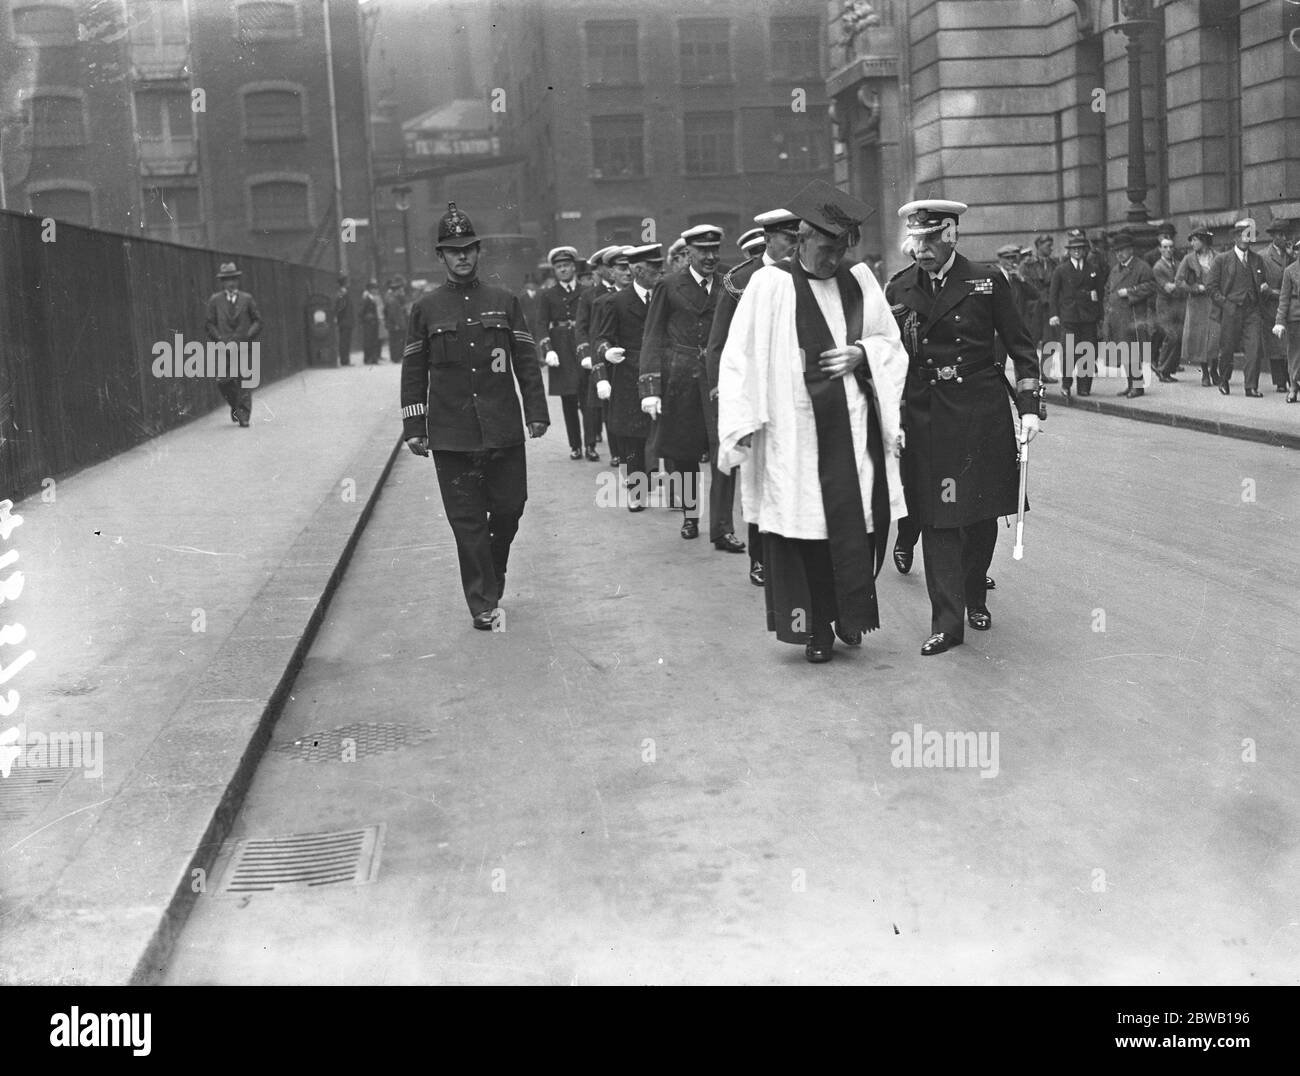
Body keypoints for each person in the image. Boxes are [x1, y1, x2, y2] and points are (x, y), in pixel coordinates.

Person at [718, 180, 908, 664]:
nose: (833, 259)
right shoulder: (770, 285)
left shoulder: (859, 280)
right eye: (826, 249)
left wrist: (862, 353)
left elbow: (890, 343)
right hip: (794, 434)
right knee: (808, 535)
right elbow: (740, 356)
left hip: (854, 428)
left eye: (841, 249)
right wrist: (741, 420)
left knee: (861, 525)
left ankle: (850, 614)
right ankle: (817, 628)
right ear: (801, 239)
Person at [885, 199, 1041, 656]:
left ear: (951, 235)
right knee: (937, 517)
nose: (922, 250)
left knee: (980, 514)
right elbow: (888, 357)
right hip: (926, 413)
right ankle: (947, 624)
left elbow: (1020, 346)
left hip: (979, 410)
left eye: (931, 239)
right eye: (916, 241)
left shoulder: (986, 280)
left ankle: (975, 594)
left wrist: (1029, 408)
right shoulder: (899, 287)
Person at [401, 203, 549, 630]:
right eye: (453, 250)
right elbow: (414, 371)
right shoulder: (426, 308)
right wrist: (414, 425)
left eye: (468, 248)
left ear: (479, 251)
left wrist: (536, 412)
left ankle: (494, 568)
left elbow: (526, 361)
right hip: (452, 433)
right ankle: (483, 601)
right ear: (441, 256)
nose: (462, 256)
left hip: (502, 427)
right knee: (466, 521)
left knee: (510, 508)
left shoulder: (504, 301)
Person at [706, 207, 801, 582]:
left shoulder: (805, 273)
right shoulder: (740, 279)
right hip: (755, 392)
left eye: (798, 239)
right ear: (769, 239)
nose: (794, 246)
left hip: (795, 389)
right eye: (788, 239)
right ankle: (760, 559)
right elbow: (719, 341)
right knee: (758, 475)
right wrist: (723, 389)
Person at [639, 224, 726, 541]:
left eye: (714, 250)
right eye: (703, 251)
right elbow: (653, 336)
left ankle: (723, 525)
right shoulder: (669, 285)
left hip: (720, 378)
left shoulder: (729, 283)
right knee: (685, 453)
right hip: (681, 378)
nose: (710, 257)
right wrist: (650, 388)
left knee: (723, 452)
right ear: (688, 252)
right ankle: (690, 517)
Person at [592, 244, 663, 511]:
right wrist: (606, 351)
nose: (660, 273)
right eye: (654, 269)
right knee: (633, 436)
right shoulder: (617, 302)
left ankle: (680, 493)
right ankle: (637, 492)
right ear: (638, 271)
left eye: (660, 268)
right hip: (630, 373)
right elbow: (602, 337)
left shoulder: (666, 295)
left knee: (675, 433)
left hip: (664, 369)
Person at [538, 246, 595, 459]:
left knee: (588, 400)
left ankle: (590, 445)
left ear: (574, 268)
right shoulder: (548, 295)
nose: (563, 269)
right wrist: (547, 350)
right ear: (554, 270)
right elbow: (541, 324)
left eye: (566, 265)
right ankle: (575, 446)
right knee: (568, 401)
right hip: (560, 349)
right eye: (559, 266)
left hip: (583, 346)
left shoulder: (587, 291)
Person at [1207, 218, 1268, 396]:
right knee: (1227, 348)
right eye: (1242, 235)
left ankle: (1251, 387)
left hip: (1252, 310)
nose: (1245, 239)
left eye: (1249, 236)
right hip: (1231, 310)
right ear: (1235, 238)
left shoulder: (1257, 260)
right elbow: (1211, 287)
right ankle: (1224, 380)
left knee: (1254, 348)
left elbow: (1261, 282)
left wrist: (1263, 287)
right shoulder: (1222, 260)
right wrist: (1226, 304)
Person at [1048, 228, 1104, 400]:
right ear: (1069, 251)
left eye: (1080, 248)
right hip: (1069, 317)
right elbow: (1053, 294)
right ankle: (1066, 384)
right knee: (1069, 352)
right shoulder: (1061, 270)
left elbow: (1100, 293)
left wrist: (1099, 315)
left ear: (1085, 250)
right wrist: (1054, 314)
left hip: (1088, 317)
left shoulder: (1093, 269)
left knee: (1088, 352)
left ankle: (1084, 387)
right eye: (1074, 249)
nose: (1077, 251)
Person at [205, 261, 261, 428]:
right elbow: (209, 323)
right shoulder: (215, 300)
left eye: (233, 279)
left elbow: (258, 321)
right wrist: (219, 339)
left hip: (243, 345)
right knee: (224, 381)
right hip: (224, 347)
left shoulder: (247, 298)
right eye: (227, 279)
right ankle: (236, 407)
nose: (231, 283)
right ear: (222, 282)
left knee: (244, 380)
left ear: (238, 280)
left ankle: (244, 416)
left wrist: (248, 336)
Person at [576, 245, 620, 455]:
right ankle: (590, 444)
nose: (611, 271)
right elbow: (582, 327)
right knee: (594, 404)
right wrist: (585, 354)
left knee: (616, 406)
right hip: (596, 355)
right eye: (607, 266)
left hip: (619, 354)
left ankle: (617, 452)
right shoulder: (590, 295)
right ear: (599, 269)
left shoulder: (624, 291)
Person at [1104, 229, 1156, 398]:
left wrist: (1130, 292)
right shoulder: (1115, 270)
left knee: (1133, 351)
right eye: (1117, 251)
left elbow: (1151, 286)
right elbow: (1108, 289)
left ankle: (1138, 386)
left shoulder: (1141, 267)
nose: (1119, 254)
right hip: (1116, 316)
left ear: (1131, 250)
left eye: (1122, 250)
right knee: (1123, 351)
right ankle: (1130, 383)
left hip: (1133, 315)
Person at [1176, 228, 1221, 385]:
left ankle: (1214, 370)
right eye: (1192, 240)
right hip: (1197, 305)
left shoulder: (1218, 257)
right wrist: (1195, 288)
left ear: (1204, 240)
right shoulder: (1189, 259)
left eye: (1195, 240)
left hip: (1215, 303)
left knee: (1215, 337)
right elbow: (1178, 281)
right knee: (1200, 339)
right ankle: (1205, 373)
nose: (1192, 243)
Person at [1021, 233, 1060, 384]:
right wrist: (1044, 296)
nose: (1051, 248)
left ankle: (1045, 373)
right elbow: (1027, 286)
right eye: (1048, 245)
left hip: (1050, 308)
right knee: (1031, 342)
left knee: (1050, 341)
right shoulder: (1027, 265)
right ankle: (1030, 374)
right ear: (1039, 246)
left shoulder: (1054, 264)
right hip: (1034, 310)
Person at [1260, 219, 1293, 392]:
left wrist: (1292, 255)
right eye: (1280, 235)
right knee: (1275, 345)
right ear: (1273, 236)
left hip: (1289, 306)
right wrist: (1273, 292)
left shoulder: (1290, 254)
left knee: (1289, 343)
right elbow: (1260, 285)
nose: (1284, 238)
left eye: (1286, 234)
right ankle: (1280, 382)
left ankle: (1291, 379)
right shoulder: (1263, 256)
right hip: (1271, 307)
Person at [1152, 235, 1186, 382]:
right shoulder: (1158, 267)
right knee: (1171, 336)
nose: (1168, 250)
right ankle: (1162, 368)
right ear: (1160, 249)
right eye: (1165, 247)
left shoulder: (1178, 264)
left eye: (1171, 247)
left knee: (1178, 337)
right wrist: (1184, 285)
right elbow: (1168, 288)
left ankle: (1168, 369)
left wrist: (1181, 285)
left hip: (1178, 304)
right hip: (1165, 305)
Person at [1274, 237, 1300, 403]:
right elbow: (1284, 298)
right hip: (1295, 317)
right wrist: (1279, 321)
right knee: (1295, 353)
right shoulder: (1290, 271)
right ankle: (1293, 387)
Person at [360, 279, 383, 365]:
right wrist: (367, 318)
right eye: (374, 289)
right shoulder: (367, 299)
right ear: (370, 290)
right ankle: (368, 358)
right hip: (369, 324)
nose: (376, 290)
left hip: (373, 323)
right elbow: (362, 311)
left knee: (374, 341)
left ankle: (373, 358)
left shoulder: (372, 298)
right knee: (369, 341)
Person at [384, 279, 407, 363]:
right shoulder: (393, 300)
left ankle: (396, 357)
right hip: (395, 325)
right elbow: (393, 314)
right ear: (395, 291)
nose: (399, 292)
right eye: (398, 291)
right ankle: (396, 357)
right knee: (396, 341)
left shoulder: (393, 299)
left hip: (395, 324)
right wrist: (397, 324)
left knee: (396, 341)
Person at [335, 274, 353, 365]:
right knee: (344, 341)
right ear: (345, 283)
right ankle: (344, 360)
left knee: (345, 341)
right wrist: (340, 318)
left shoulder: (342, 292)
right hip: (345, 321)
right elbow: (341, 308)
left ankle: (345, 359)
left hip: (345, 320)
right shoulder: (343, 293)